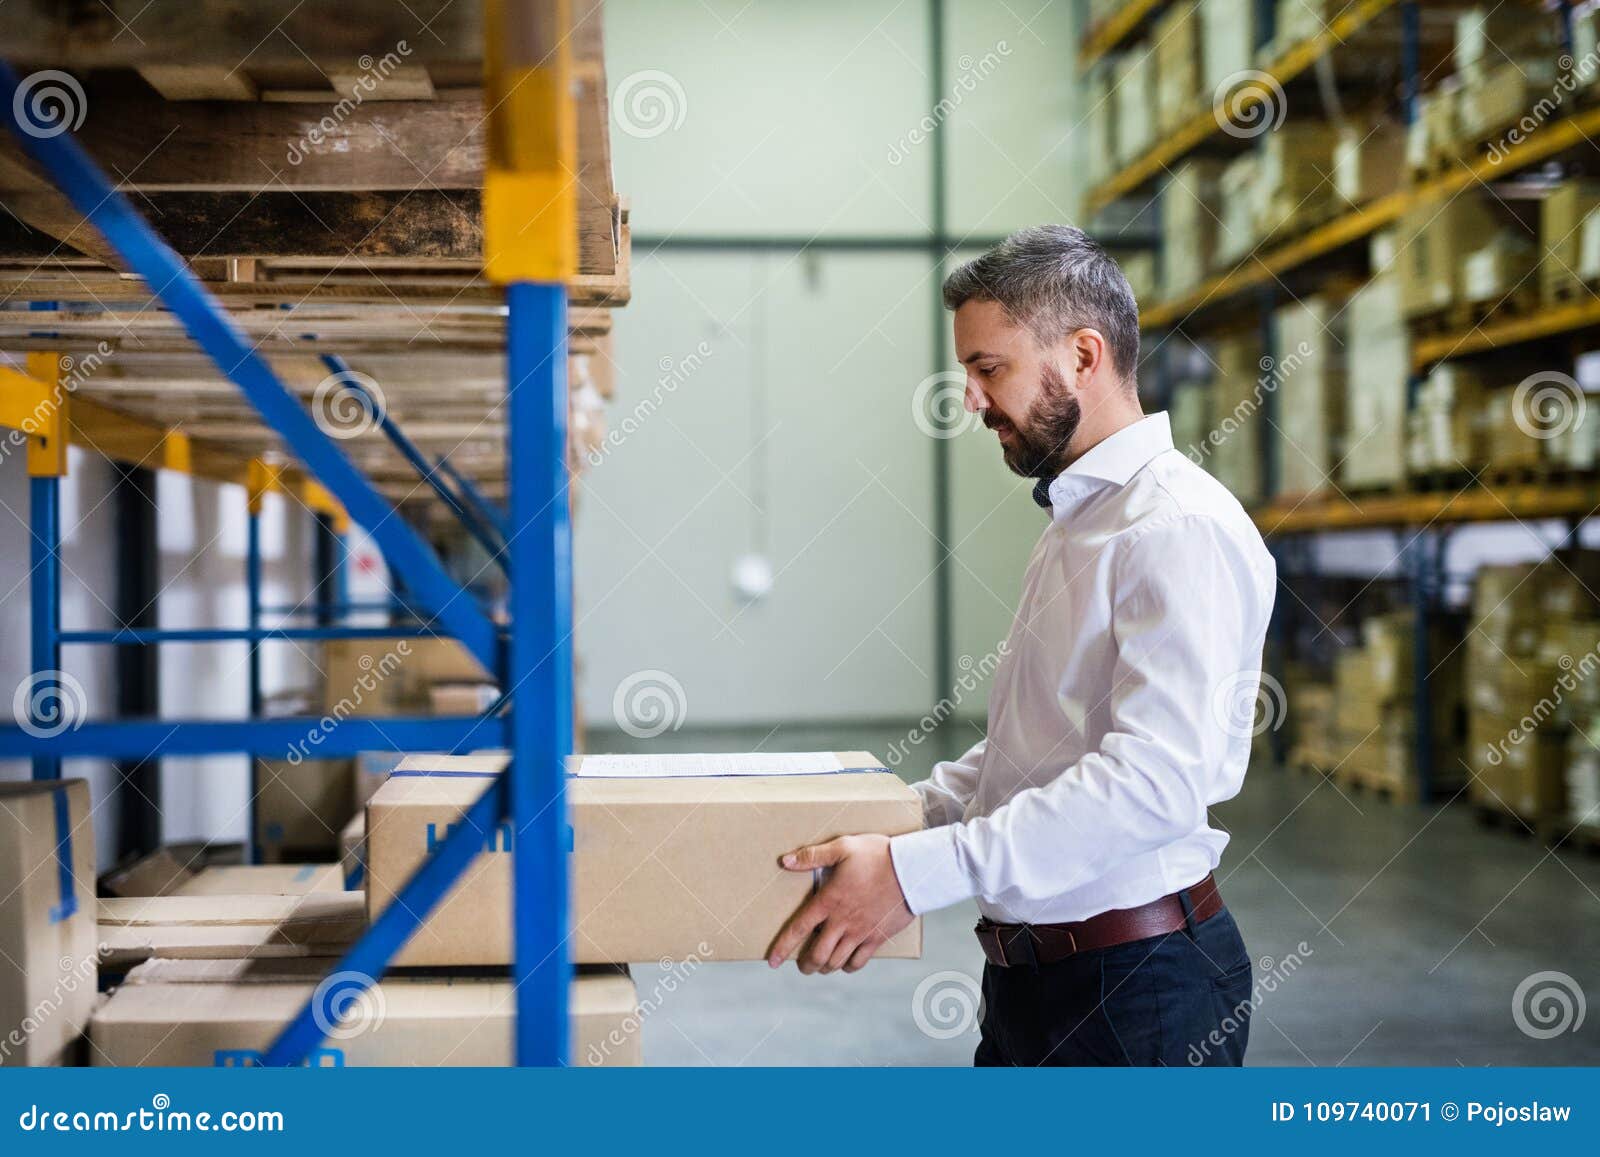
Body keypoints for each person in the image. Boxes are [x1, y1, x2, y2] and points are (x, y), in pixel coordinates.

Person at [766, 225, 1278, 1067]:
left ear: (1083, 354)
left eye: (988, 367)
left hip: (1136, 995)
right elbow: (1033, 751)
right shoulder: (1080, 518)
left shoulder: (1175, 526)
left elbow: (1154, 782)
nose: (968, 398)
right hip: (1029, 983)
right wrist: (902, 820)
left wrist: (912, 874)